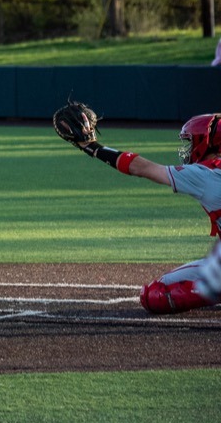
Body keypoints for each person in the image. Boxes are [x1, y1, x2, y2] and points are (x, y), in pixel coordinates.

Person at [60, 112, 221, 313]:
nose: (187, 147)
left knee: (155, 295)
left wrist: (92, 147)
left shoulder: (205, 174)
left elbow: (141, 167)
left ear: (207, 142)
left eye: (192, 140)